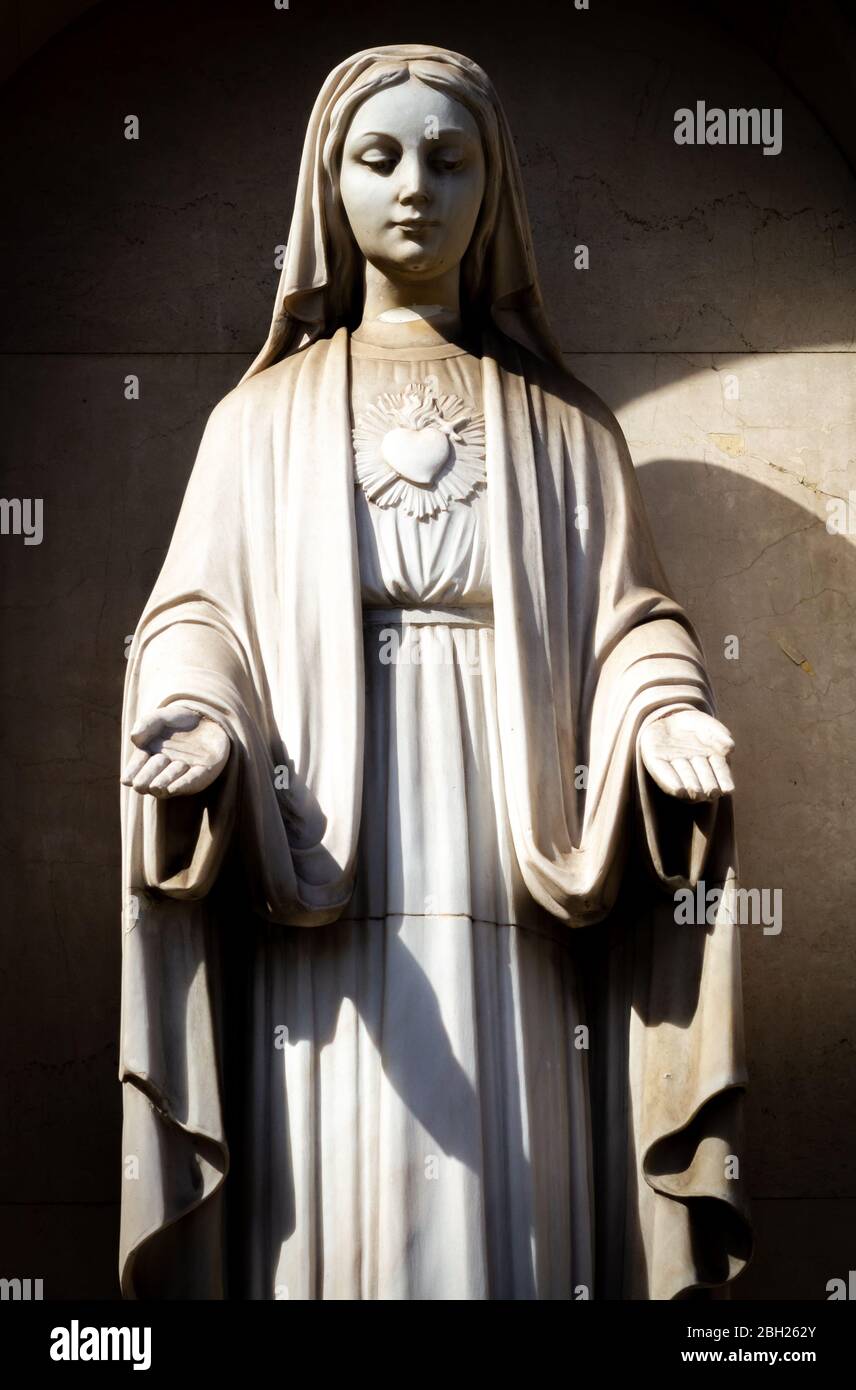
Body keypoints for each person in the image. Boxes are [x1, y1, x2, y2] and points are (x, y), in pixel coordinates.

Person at [119, 43, 751, 1300]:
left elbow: (631, 621)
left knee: (510, 1158)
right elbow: (194, 616)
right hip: (318, 842)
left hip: (512, 837)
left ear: (492, 188)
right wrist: (194, 722)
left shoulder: (565, 432)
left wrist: (658, 711)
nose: (417, 186)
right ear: (330, 187)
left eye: (451, 159)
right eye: (381, 156)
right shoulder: (258, 422)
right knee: (332, 1144)